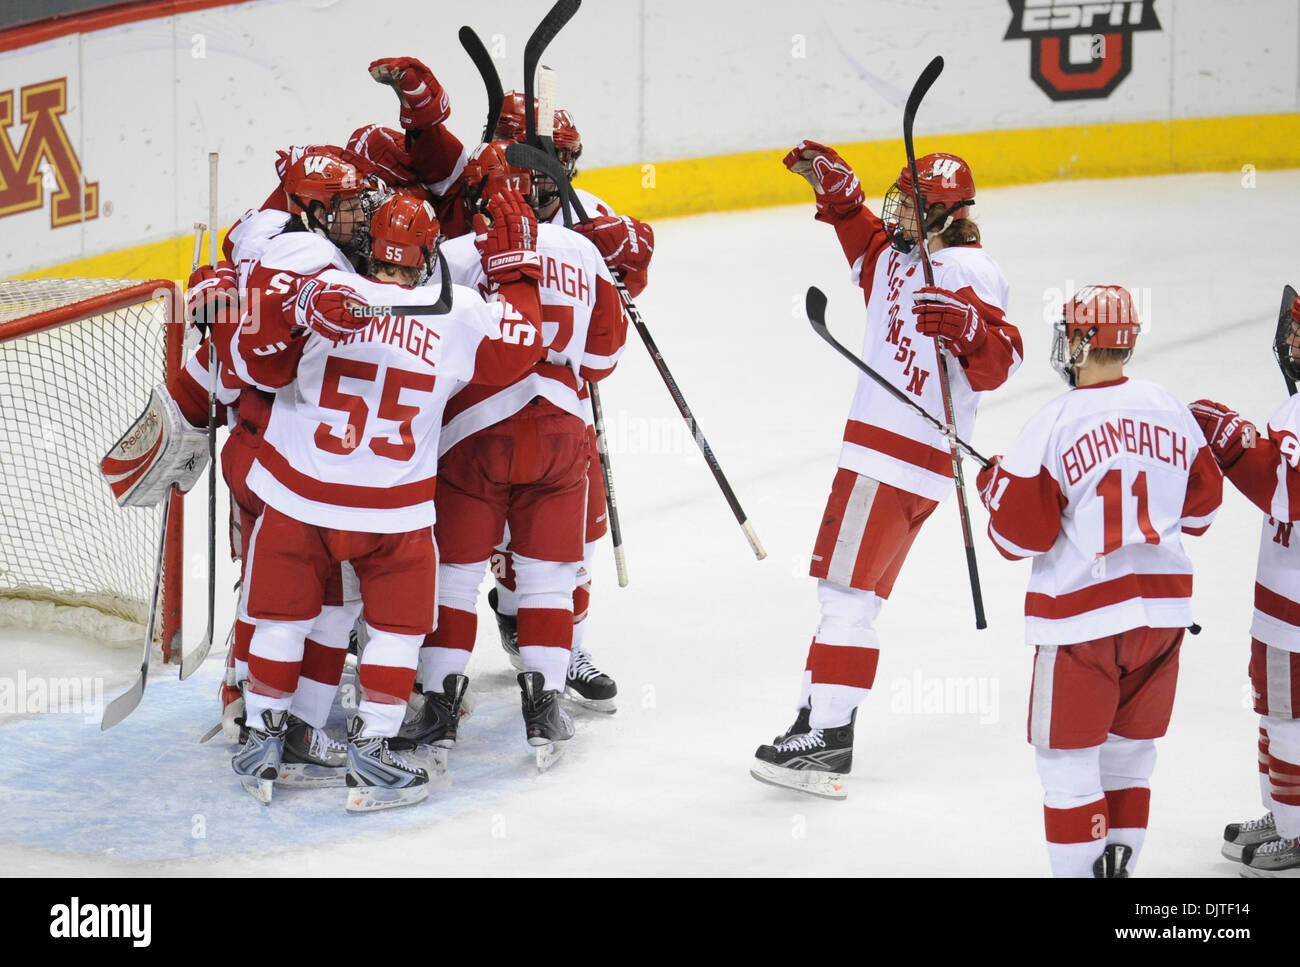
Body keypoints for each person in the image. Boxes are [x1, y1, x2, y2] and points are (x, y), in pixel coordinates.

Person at [229, 186, 550, 810]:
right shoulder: (457, 319)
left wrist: (289, 302)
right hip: (392, 511)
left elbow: (255, 363)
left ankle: (262, 737)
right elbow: (523, 342)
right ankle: (373, 753)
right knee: (397, 634)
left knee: (281, 620)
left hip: (300, 498)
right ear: (427, 254)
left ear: (366, 246)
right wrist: (518, 270)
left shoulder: (325, 288)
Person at [750, 143, 1022, 799]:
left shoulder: (968, 268)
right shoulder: (901, 257)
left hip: (896, 454)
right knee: (849, 595)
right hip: (894, 456)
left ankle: (830, 739)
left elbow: (1002, 357)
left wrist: (969, 329)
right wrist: (838, 195)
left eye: (909, 202)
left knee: (845, 597)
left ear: (943, 213)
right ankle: (816, 718)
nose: (894, 211)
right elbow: (866, 246)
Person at [978, 285, 1222, 877]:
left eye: (1070, 333)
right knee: (1129, 760)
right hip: (1161, 623)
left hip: (1082, 624)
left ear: (1086, 342)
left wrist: (996, 491)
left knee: (1066, 765)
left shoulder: (1054, 420)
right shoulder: (1169, 406)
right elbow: (1202, 512)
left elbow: (1018, 540)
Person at [405, 142, 627, 769]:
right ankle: (545, 707)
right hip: (562, 437)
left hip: (475, 434)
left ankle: (441, 708)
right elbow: (603, 359)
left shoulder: (451, 256)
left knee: (453, 578)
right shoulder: (582, 250)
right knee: (549, 580)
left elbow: (420, 349)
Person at [476, 93, 656, 711]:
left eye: (568, 158)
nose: (564, 171)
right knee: (465, 537)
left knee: (567, 536)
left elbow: (636, 258)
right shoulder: (469, 209)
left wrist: (623, 250)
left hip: (558, 407)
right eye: (555, 156)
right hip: (476, 407)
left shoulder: (582, 211)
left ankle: (565, 643)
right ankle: (450, 653)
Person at [1190, 297, 1300, 877]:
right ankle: (1284, 814)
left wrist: (1232, 441)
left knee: (1288, 717)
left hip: (1295, 606)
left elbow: (1286, 492)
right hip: (1283, 599)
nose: (1291, 345)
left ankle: (1296, 829)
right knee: (1275, 708)